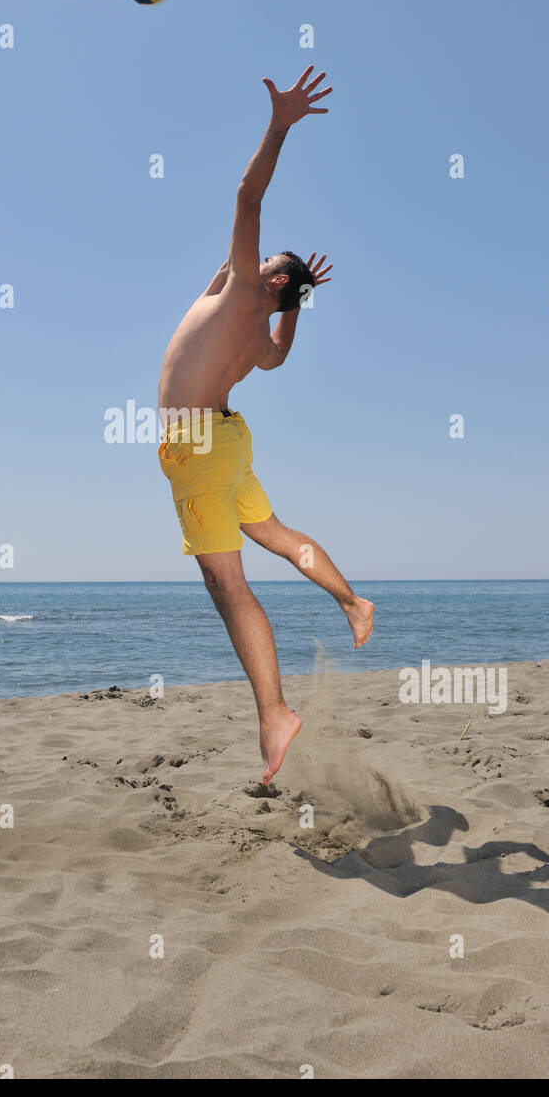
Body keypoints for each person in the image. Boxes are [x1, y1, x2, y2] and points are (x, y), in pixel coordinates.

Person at [157, 68, 374, 785]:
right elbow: (276, 359)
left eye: (258, 259)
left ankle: (274, 714)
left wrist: (279, 124)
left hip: (199, 445)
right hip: (225, 439)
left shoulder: (248, 290)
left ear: (266, 277)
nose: (241, 257)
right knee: (274, 532)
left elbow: (248, 197)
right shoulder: (255, 327)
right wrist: (300, 299)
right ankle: (353, 599)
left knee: (227, 584)